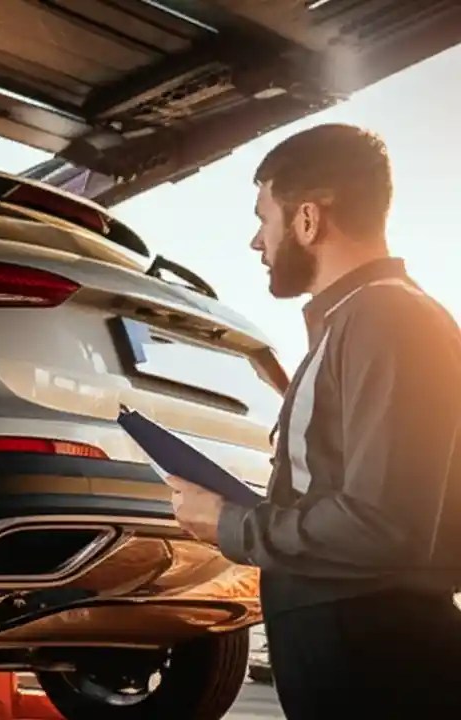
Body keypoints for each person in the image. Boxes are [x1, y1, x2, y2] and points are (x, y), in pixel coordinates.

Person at [164, 123, 461, 718]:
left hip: (371, 652)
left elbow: (382, 521)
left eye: (263, 218)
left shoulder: (387, 319)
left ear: (307, 220)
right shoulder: (362, 321)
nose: (256, 242)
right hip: (359, 642)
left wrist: (232, 525)